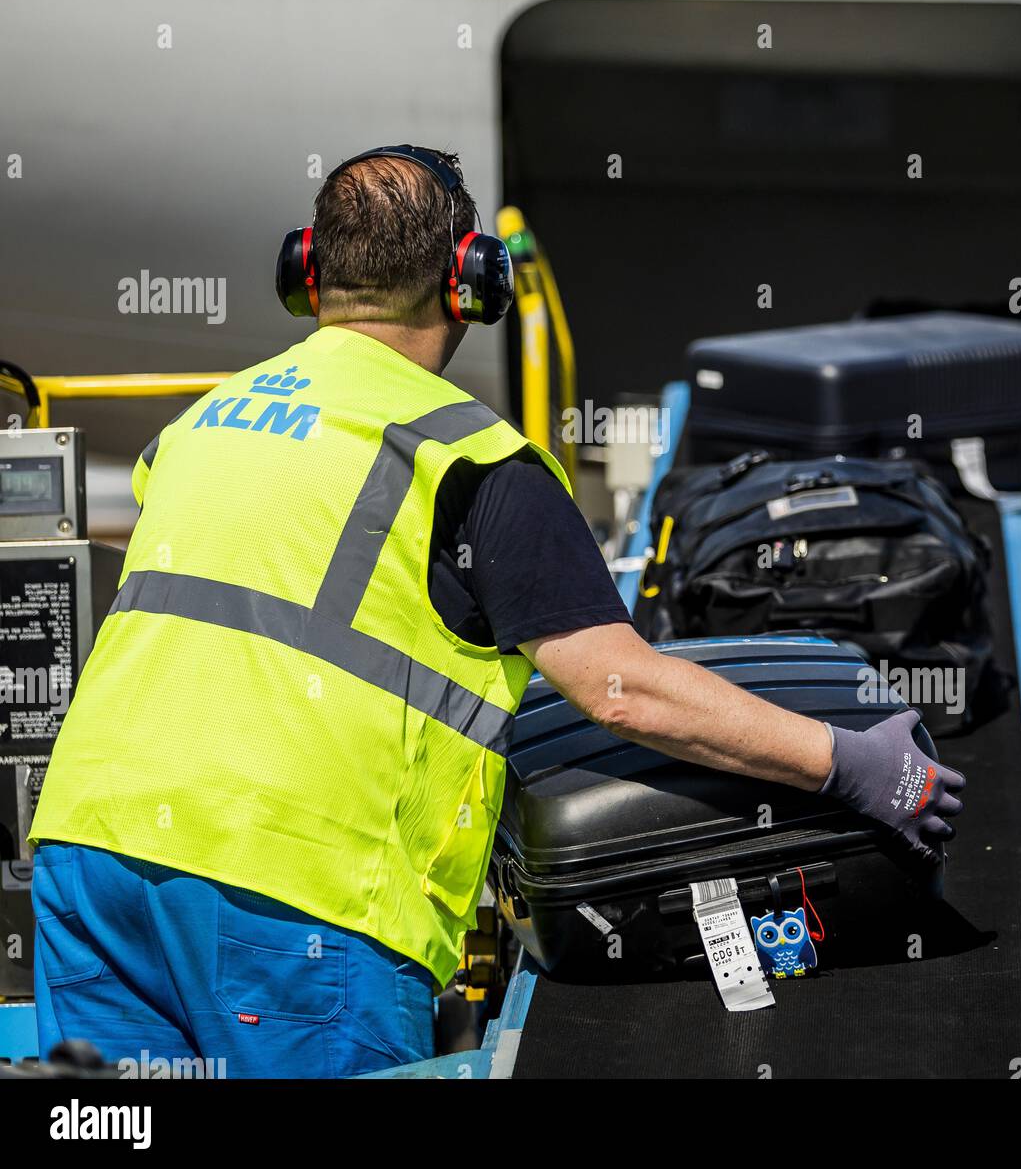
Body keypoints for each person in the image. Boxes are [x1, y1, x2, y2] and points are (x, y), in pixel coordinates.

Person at [28, 145, 964, 1077]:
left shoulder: (200, 423)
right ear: (472, 280)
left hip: (87, 850)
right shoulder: (469, 460)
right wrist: (846, 764)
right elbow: (624, 689)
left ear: (307, 271)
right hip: (288, 887)